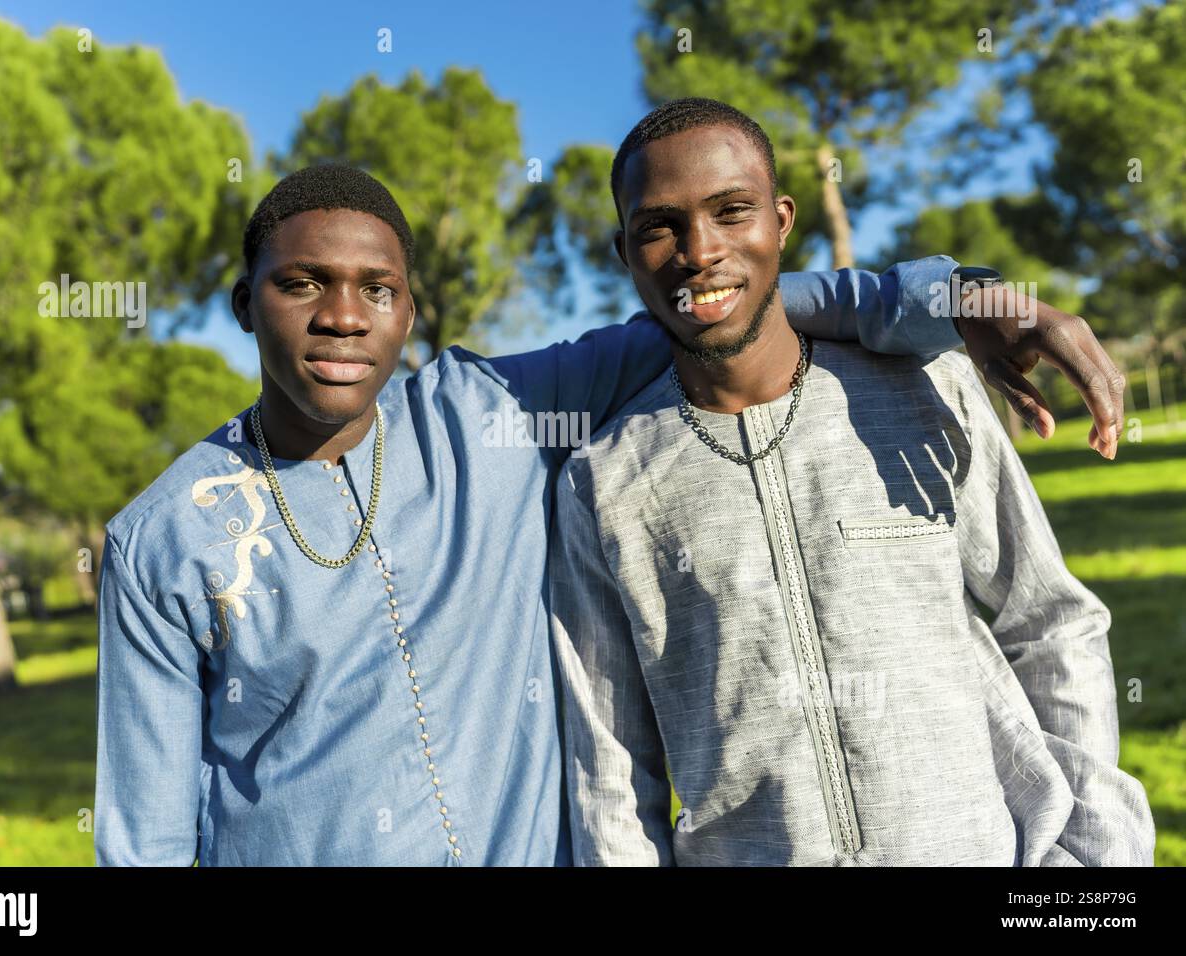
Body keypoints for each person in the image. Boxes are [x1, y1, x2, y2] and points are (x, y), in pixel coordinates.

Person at [94, 159, 1126, 866]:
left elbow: (724, 299)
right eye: (301, 283)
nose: (343, 315)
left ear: (411, 308)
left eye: (378, 287)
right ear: (243, 303)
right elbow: (141, 834)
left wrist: (970, 298)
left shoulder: (491, 413)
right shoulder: (165, 534)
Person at [549, 98, 1154, 866]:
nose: (699, 251)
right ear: (624, 251)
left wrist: (1098, 857)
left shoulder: (930, 389)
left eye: (732, 211)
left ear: (782, 220)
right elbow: (610, 768)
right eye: (659, 226)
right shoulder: (602, 482)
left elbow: (1049, 624)